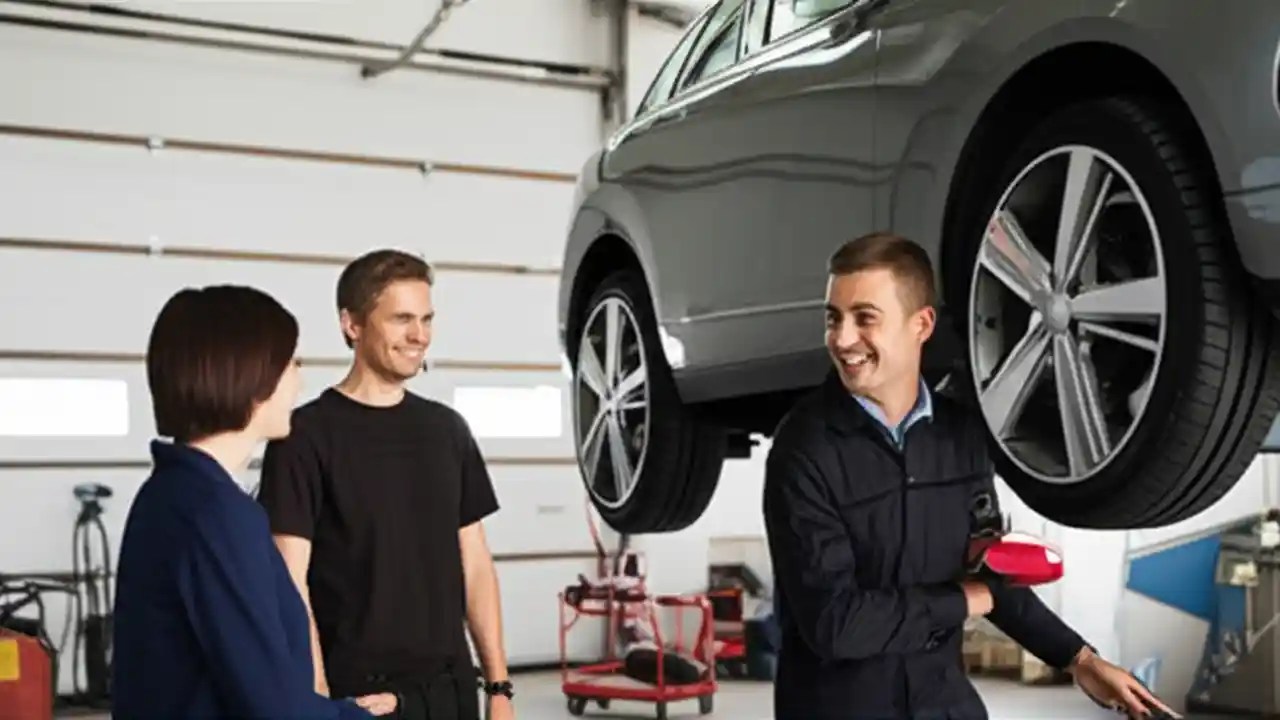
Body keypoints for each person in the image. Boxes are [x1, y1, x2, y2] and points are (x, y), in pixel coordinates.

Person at [762, 233, 1177, 720]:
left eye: (865, 318)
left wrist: (1080, 659)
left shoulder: (961, 438)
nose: (842, 338)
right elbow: (836, 624)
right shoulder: (806, 449)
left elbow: (989, 575)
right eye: (833, 318)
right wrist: (962, 600)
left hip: (940, 703)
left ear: (922, 324)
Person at [257, 249, 514, 720]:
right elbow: (290, 585)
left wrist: (498, 687)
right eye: (401, 319)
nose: (419, 335)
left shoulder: (447, 430)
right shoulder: (303, 437)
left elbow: (475, 563)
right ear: (351, 324)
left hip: (449, 693)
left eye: (426, 318)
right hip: (361, 697)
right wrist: (317, 699)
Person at [111, 285, 377, 719]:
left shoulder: (171, 495)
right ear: (253, 375)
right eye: (292, 363)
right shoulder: (216, 516)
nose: (300, 380)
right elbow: (274, 708)